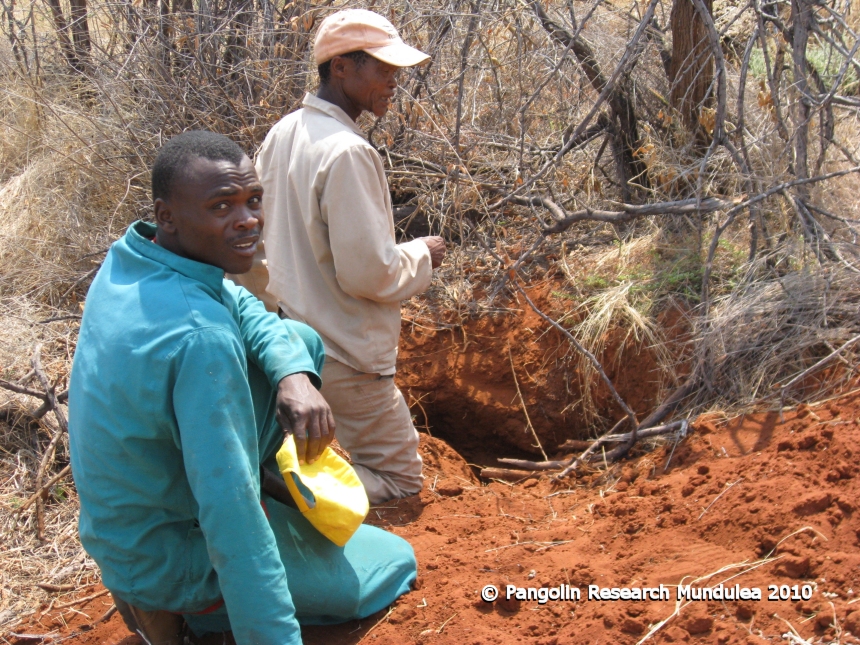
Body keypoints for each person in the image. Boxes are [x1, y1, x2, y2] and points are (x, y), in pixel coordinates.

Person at [68, 131, 417, 645]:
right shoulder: (201, 339)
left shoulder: (134, 256)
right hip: (171, 554)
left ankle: (230, 541)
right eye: (221, 206)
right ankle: (194, 612)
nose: (248, 219)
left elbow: (241, 303)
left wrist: (292, 375)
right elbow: (231, 519)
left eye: (253, 200)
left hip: (124, 532)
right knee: (391, 563)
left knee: (297, 341)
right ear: (168, 215)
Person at [256, 9, 446, 505]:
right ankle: (284, 497)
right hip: (343, 349)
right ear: (340, 67)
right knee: (400, 482)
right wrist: (422, 255)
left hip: (289, 341)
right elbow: (369, 274)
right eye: (382, 69)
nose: (393, 82)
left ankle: (278, 490)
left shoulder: (284, 132)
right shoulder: (347, 151)